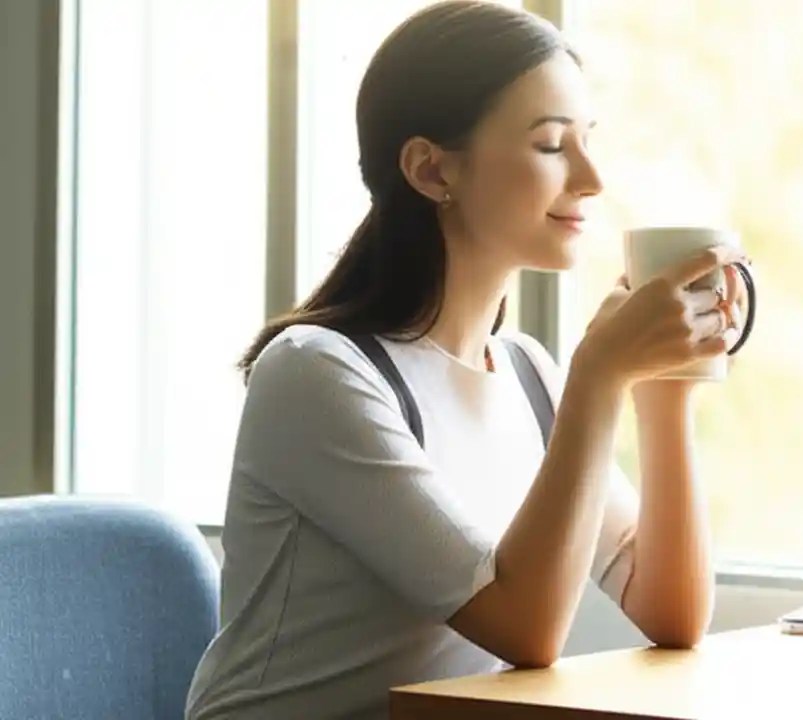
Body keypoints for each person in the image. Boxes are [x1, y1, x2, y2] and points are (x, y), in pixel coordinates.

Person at [185, 2, 747, 718]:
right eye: (550, 145)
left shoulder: (526, 373)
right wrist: (601, 377)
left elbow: (672, 613)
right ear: (430, 169)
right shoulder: (318, 373)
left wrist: (663, 388)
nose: (591, 177)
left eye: (588, 140)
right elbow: (523, 628)